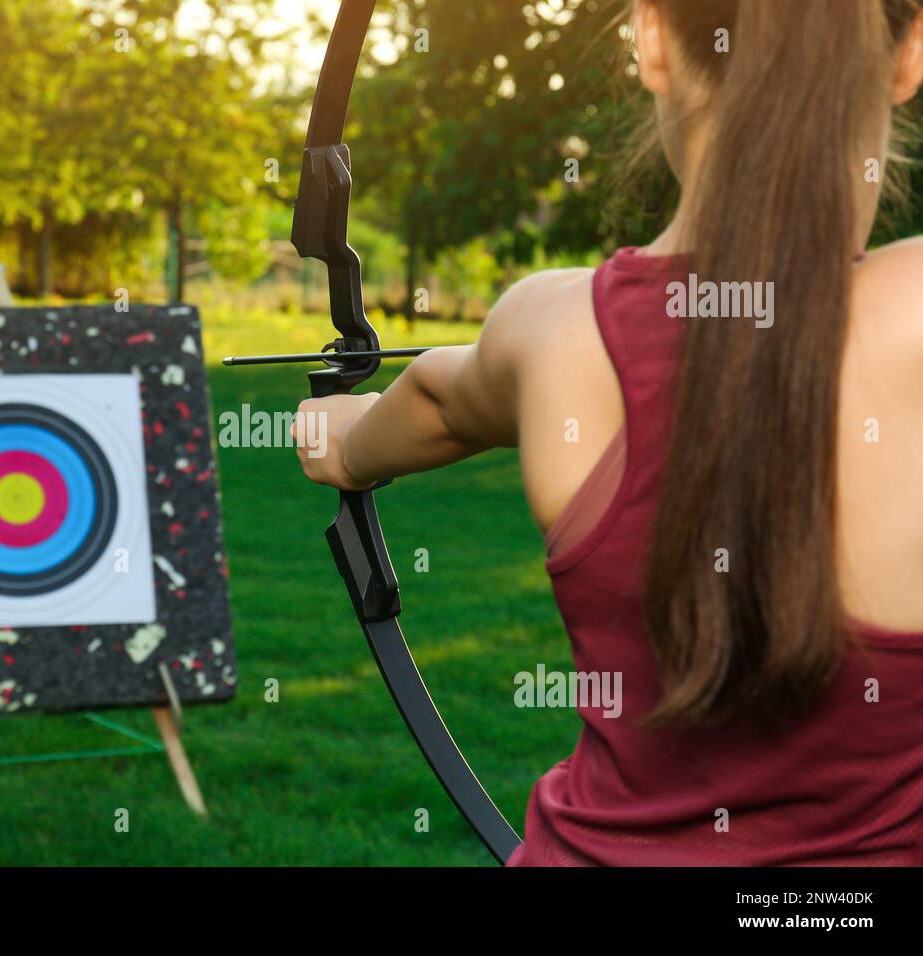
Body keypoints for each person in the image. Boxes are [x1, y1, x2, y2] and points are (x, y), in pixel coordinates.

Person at [294, 0, 923, 865]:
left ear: (652, 39)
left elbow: (436, 402)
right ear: (908, 54)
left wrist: (339, 437)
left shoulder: (553, 334)